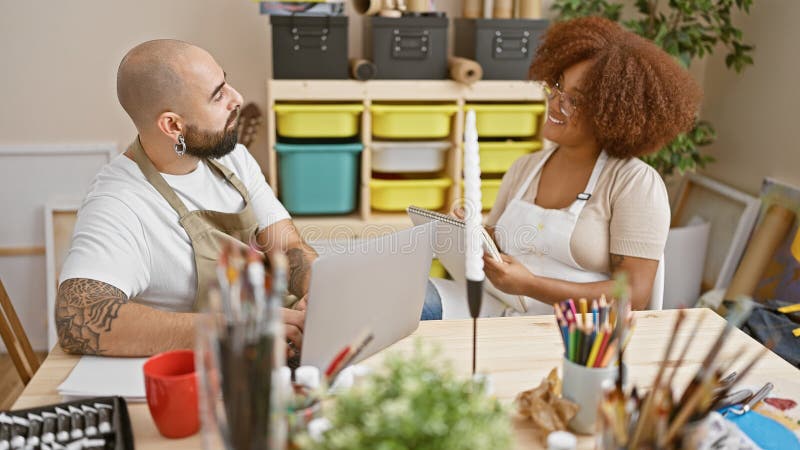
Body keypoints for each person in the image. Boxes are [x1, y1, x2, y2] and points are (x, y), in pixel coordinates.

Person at [422, 17, 701, 319]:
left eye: (575, 101)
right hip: (495, 306)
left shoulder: (633, 182)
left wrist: (532, 285)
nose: (555, 104)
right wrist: (471, 231)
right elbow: (501, 241)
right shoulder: (525, 168)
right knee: (400, 299)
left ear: (613, 115)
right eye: (557, 86)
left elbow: (633, 293)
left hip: (570, 330)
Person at [56, 40, 317, 356]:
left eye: (226, 82)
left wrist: (318, 289)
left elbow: (286, 247)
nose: (237, 99)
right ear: (173, 125)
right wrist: (236, 329)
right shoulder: (119, 203)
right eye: (217, 95)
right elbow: (78, 318)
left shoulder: (233, 158)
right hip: (214, 368)